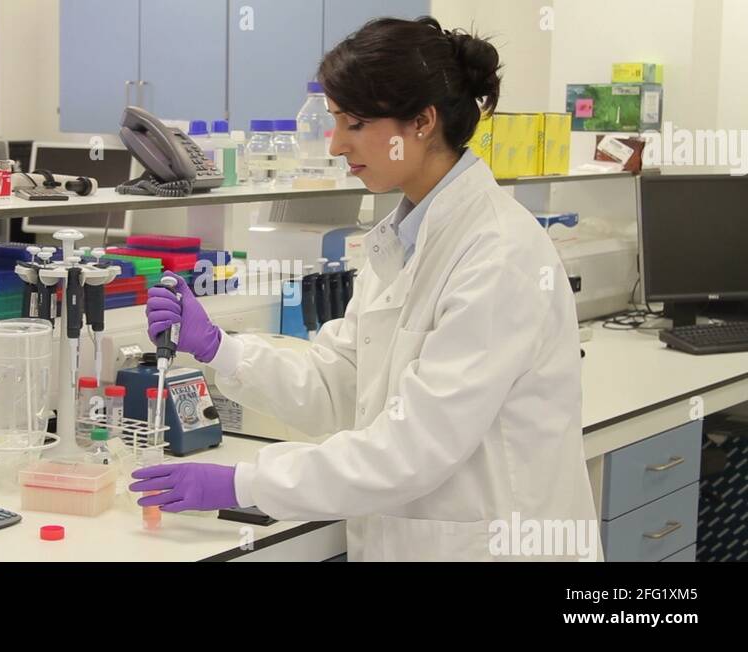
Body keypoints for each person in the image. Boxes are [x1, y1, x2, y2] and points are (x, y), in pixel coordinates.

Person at [130, 16, 598, 561]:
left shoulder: (498, 253)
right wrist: (220, 349)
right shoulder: (399, 240)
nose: (333, 145)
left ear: (422, 122)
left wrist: (244, 483)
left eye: (352, 123)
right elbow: (345, 386)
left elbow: (412, 449)